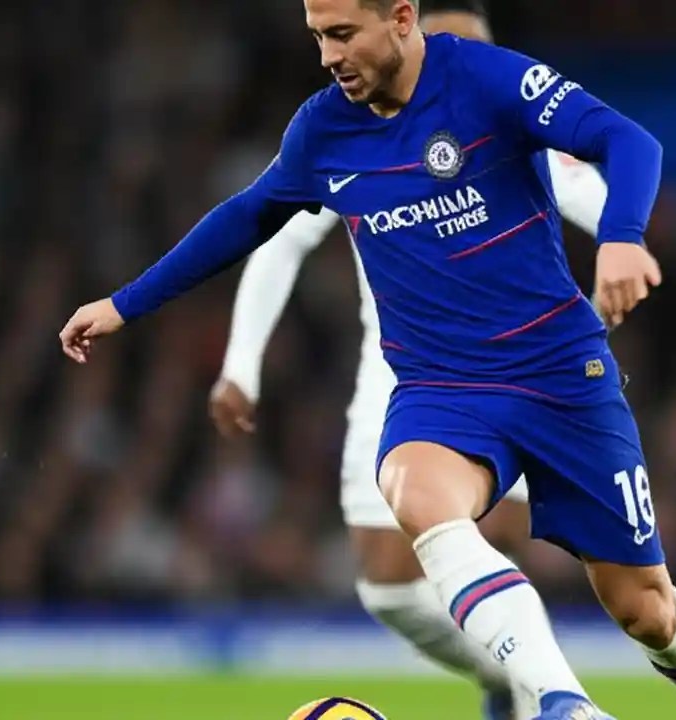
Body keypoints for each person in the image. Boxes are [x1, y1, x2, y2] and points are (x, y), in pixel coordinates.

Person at [59, 2, 676, 718]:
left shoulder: (483, 76)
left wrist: (622, 236)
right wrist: (124, 305)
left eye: (341, 34)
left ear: (399, 18)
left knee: (646, 611)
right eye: (318, 37)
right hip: (439, 385)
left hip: (559, 376)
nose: (328, 56)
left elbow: (626, 139)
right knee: (416, 494)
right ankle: (562, 703)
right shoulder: (324, 129)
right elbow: (246, 218)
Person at [207, 2, 608, 717]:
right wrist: (242, 362)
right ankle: (516, 681)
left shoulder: (513, 124)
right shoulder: (353, 136)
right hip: (394, 381)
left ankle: (554, 697)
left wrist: (627, 246)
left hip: (516, 372)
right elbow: (281, 238)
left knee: (489, 533)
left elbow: (601, 203)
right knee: (388, 585)